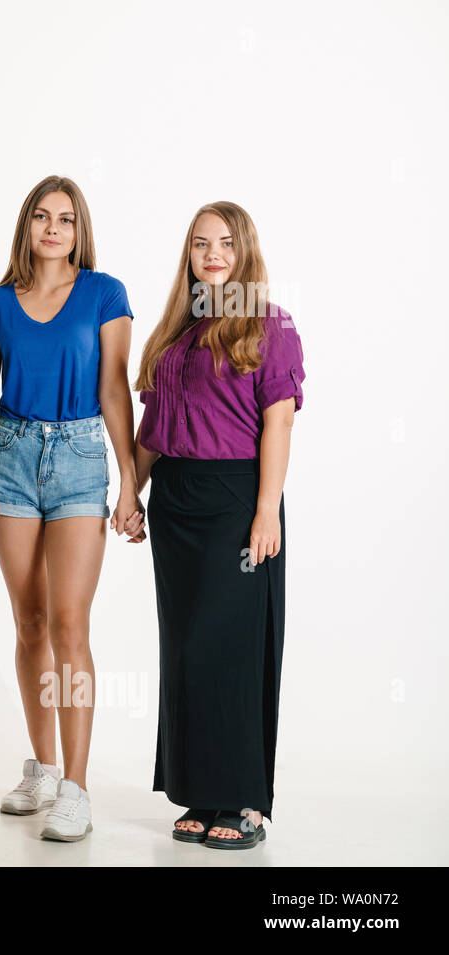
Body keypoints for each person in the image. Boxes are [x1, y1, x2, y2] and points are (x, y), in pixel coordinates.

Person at [131, 201, 304, 850]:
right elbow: (153, 429)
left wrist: (266, 508)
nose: (212, 254)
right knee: (185, 649)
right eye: (201, 244)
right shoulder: (177, 333)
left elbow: (279, 420)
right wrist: (131, 491)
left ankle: (245, 801)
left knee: (232, 646)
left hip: (237, 498)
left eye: (225, 244)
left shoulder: (270, 324)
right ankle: (201, 793)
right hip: (176, 500)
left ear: (245, 251)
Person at [0, 175, 140, 841]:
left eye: (66, 219)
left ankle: (76, 785)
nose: (53, 229)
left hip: (78, 455)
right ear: (27, 226)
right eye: (42, 217)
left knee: (71, 624)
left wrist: (130, 481)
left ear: (80, 230)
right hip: (12, 454)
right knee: (31, 621)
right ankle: (42, 766)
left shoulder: (105, 294)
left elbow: (113, 388)